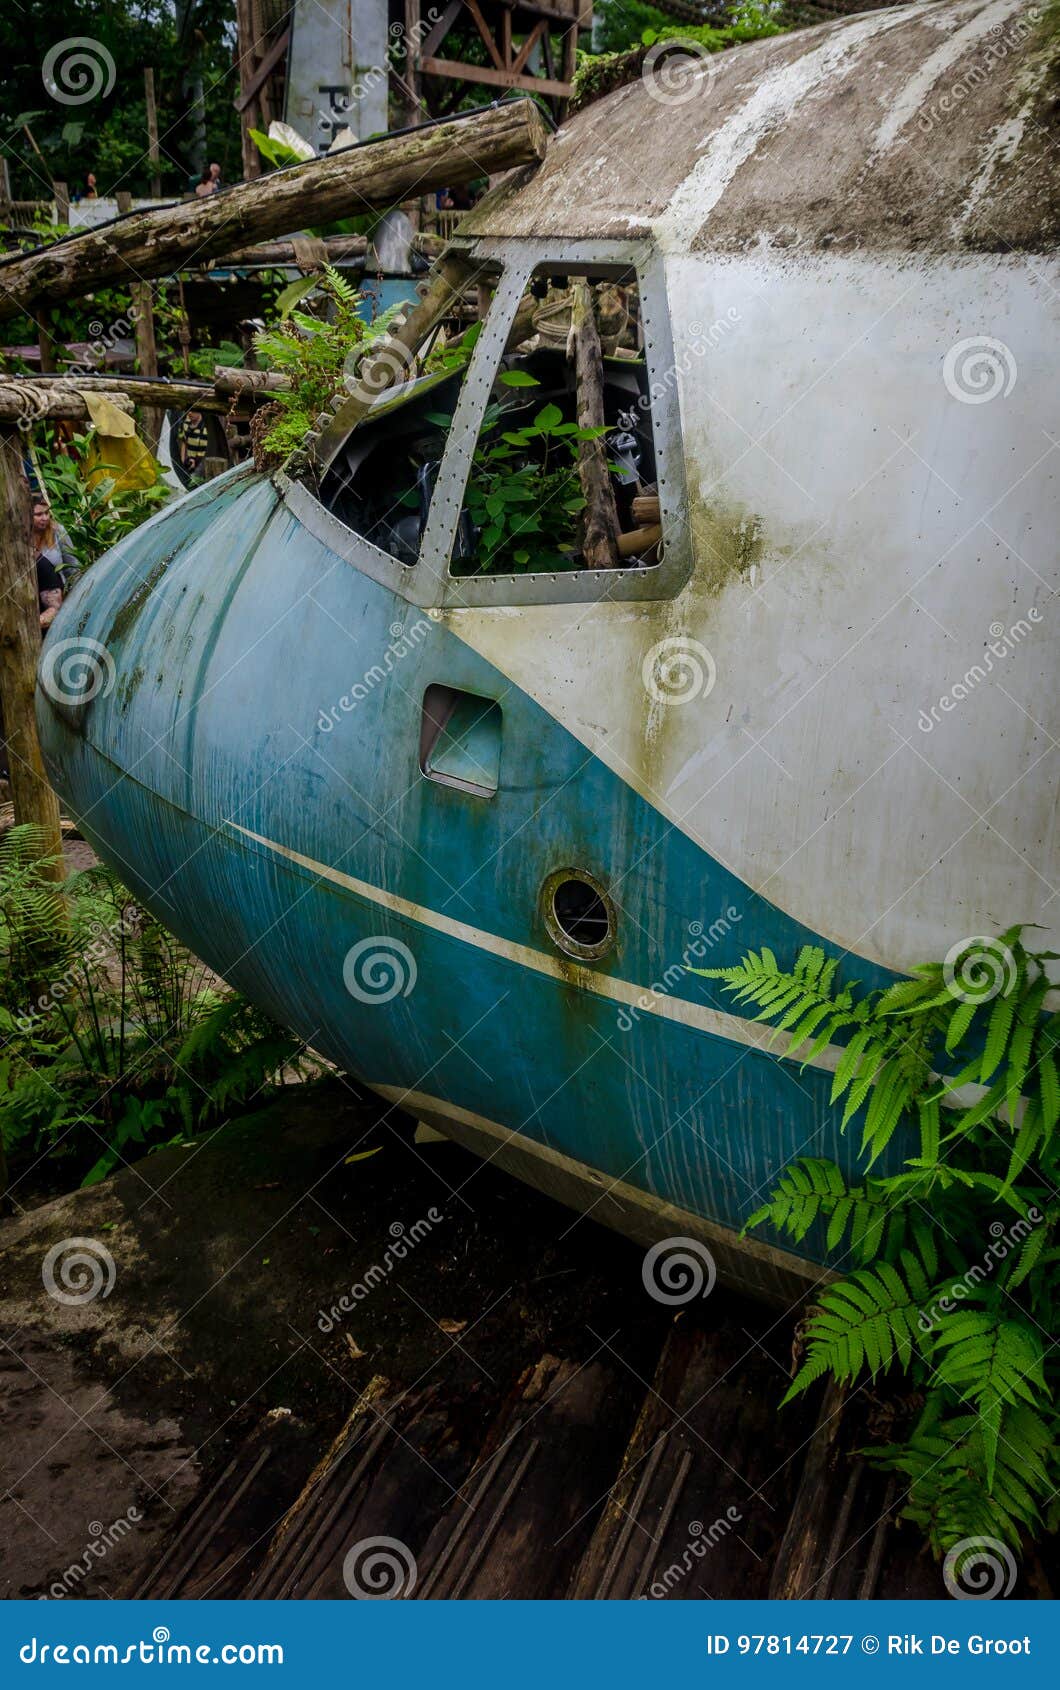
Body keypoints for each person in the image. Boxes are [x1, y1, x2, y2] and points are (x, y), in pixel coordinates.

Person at [31, 497, 78, 632]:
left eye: (47, 513)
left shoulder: (58, 531)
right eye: (39, 514)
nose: (45, 518)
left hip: (57, 589)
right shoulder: (22, 537)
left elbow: (72, 565)